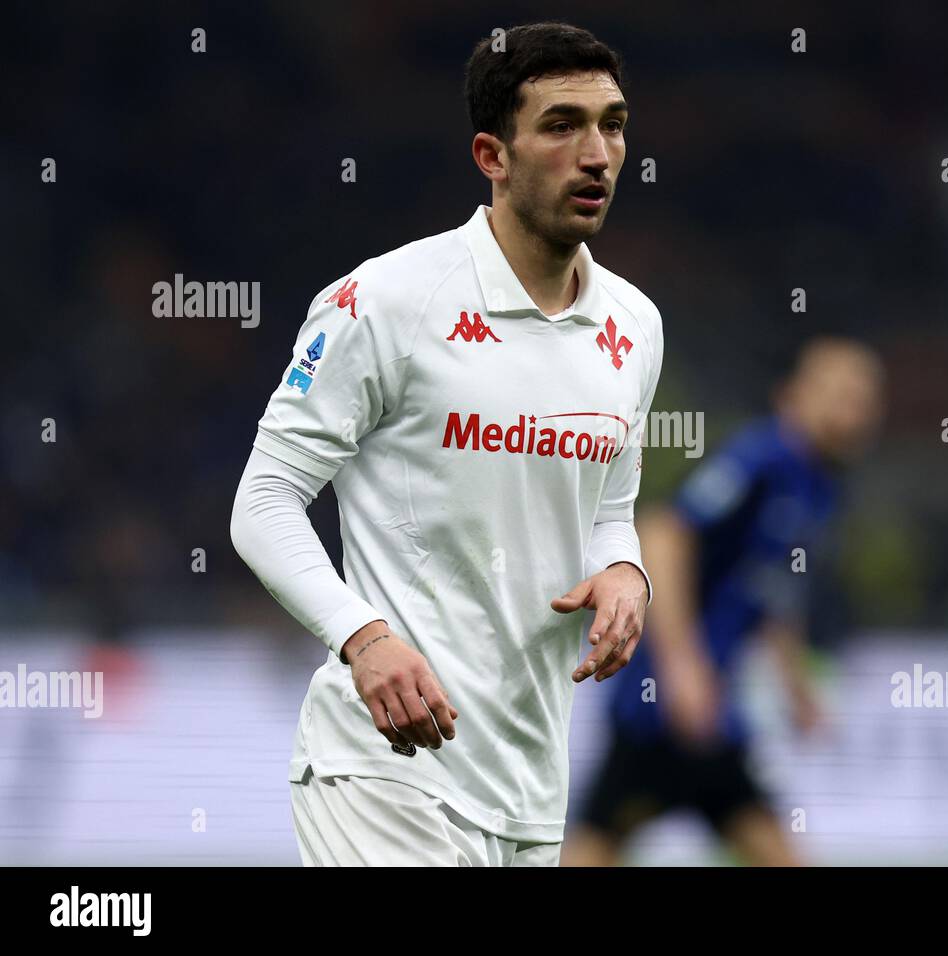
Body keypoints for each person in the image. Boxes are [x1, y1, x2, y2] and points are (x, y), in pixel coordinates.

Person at [230, 22, 662, 866]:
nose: (598, 153)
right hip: (385, 771)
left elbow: (611, 509)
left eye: (611, 124)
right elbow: (263, 503)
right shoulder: (386, 302)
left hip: (530, 789)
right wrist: (364, 637)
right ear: (491, 156)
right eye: (561, 125)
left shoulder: (634, 325)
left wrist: (626, 573)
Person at [564, 338, 885, 866]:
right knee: (602, 840)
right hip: (663, 704)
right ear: (793, 395)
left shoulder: (820, 487)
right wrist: (683, 666)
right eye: (841, 394)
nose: (855, 413)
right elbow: (666, 534)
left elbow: (772, 592)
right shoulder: (760, 458)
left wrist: (795, 685)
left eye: (865, 399)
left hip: (713, 713)